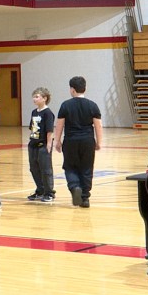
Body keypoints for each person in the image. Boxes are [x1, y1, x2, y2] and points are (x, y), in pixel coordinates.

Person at [53, 76, 103, 208]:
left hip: (70, 141)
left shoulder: (65, 105)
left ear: (72, 90)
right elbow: (98, 126)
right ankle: (85, 198)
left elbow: (59, 125)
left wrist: (57, 141)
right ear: (84, 88)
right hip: (87, 141)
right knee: (86, 167)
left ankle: (75, 187)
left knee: (70, 167)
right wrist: (99, 142)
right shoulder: (92, 105)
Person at [27, 87, 56, 203]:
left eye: (37, 96)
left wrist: (49, 144)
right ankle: (40, 190)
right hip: (33, 144)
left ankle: (49, 193)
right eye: (33, 96)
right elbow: (32, 128)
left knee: (45, 169)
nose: (34, 99)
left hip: (43, 144)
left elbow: (49, 131)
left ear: (44, 98)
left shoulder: (48, 113)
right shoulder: (34, 112)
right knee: (34, 168)